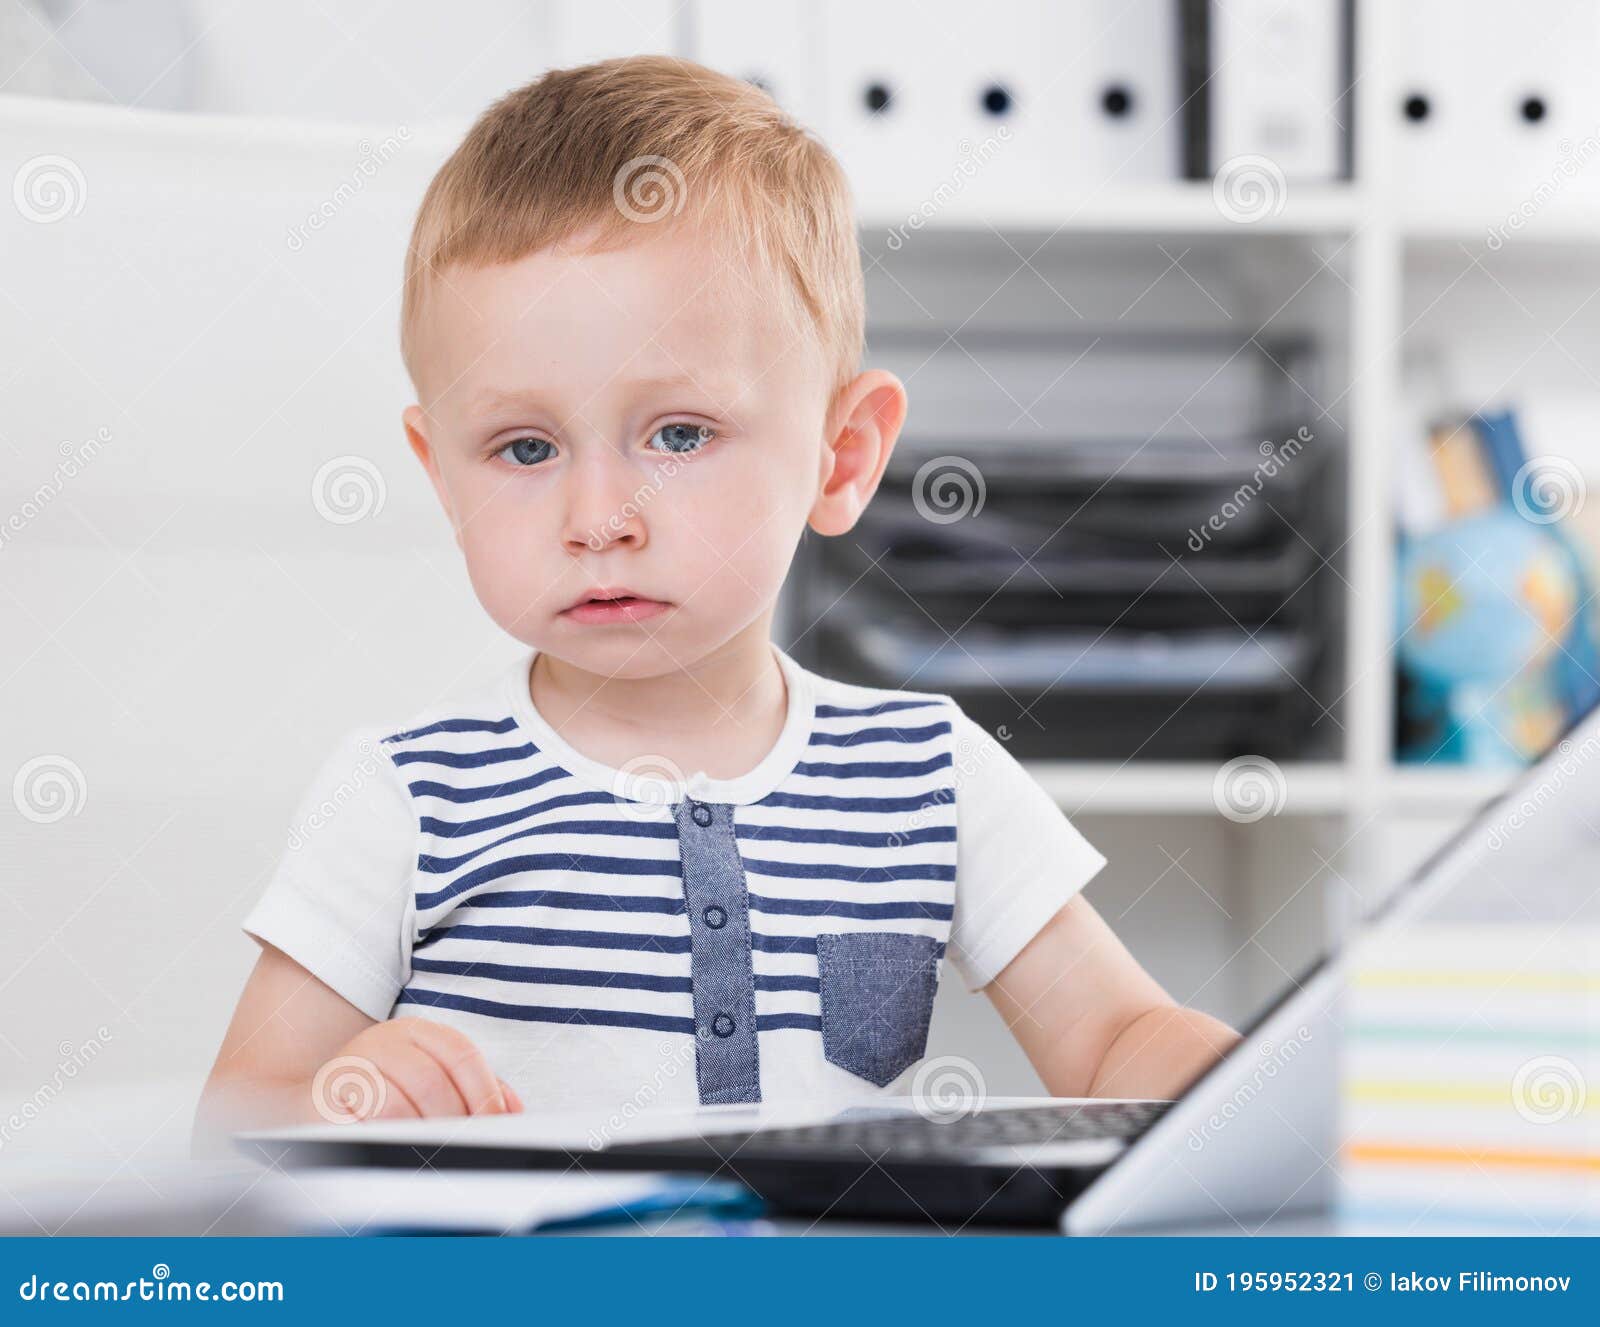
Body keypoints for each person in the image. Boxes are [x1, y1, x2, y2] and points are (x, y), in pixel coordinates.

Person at [195, 56, 1238, 1145]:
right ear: (440, 474)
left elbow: (1117, 1041)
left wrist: (1243, 1074)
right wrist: (346, 1094)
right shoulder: (406, 798)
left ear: (840, 457)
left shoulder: (930, 773)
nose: (599, 515)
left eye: (679, 434)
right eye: (524, 446)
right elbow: (228, 1131)